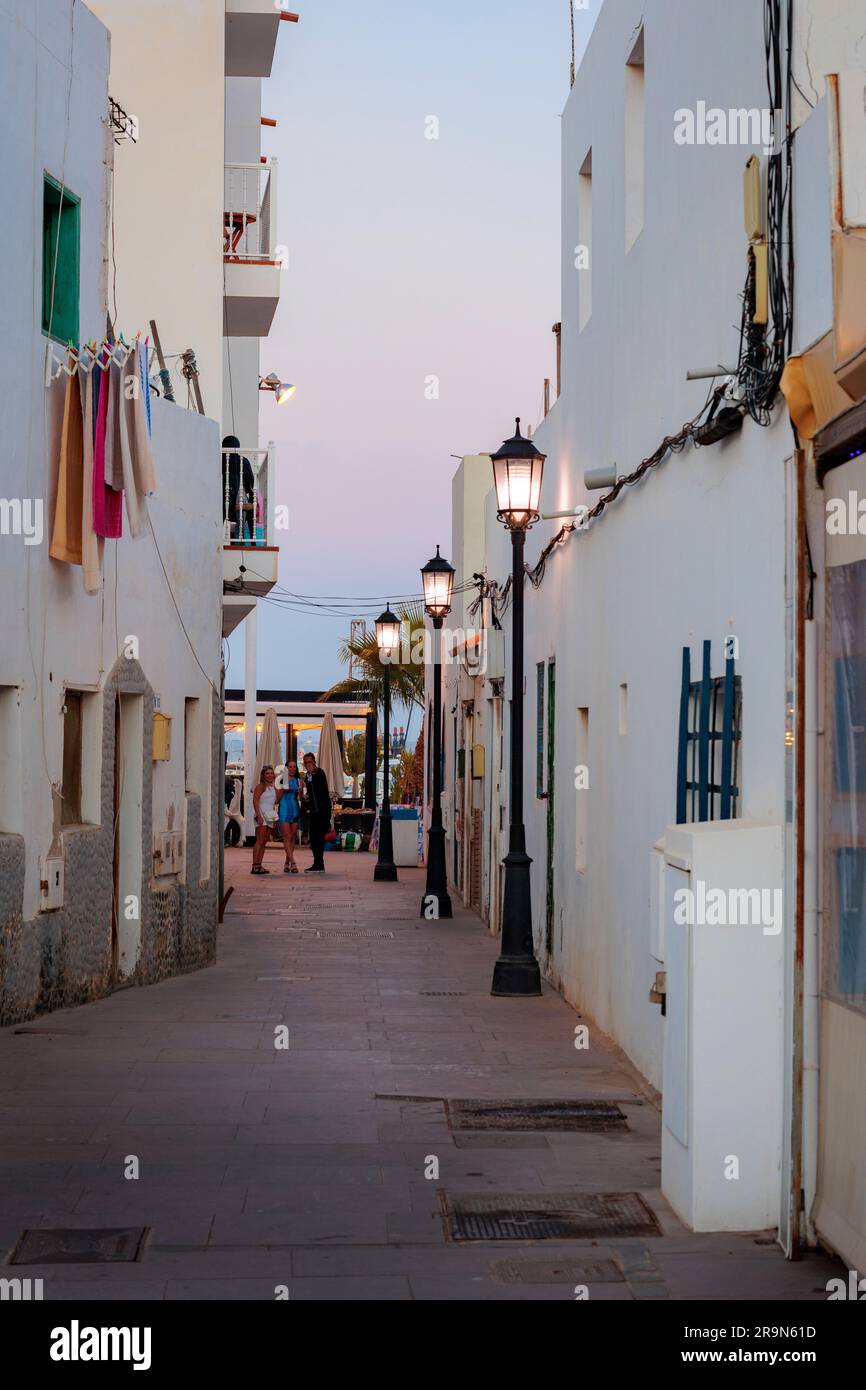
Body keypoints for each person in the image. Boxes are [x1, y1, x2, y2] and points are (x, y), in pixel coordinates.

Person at [221, 434, 254, 541]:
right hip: (239, 505)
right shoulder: (244, 461)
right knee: (243, 498)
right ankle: (240, 539)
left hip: (222, 504)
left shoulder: (219, 460)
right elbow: (251, 484)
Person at [303, 752, 331, 872]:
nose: (308, 764)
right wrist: (306, 796)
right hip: (313, 811)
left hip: (322, 810)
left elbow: (322, 791)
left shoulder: (319, 773)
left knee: (319, 838)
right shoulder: (308, 776)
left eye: (310, 762)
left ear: (314, 762)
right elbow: (311, 791)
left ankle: (319, 863)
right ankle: (317, 863)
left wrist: (312, 774)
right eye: (306, 762)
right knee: (314, 838)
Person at [251, 765, 278, 874]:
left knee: (265, 841)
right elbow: (255, 801)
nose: (270, 775)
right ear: (263, 775)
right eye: (267, 773)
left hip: (270, 813)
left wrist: (274, 819)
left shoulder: (273, 787)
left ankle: (259, 865)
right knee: (259, 841)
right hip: (261, 813)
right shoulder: (260, 786)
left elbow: (274, 804)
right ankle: (254, 866)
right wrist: (259, 816)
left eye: (271, 773)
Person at [277, 760, 301, 874]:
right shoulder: (282, 779)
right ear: (286, 768)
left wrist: (302, 793)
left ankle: (287, 863)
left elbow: (301, 797)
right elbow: (276, 798)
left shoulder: (299, 781)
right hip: (284, 810)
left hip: (295, 809)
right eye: (290, 767)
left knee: (292, 838)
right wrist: (282, 790)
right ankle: (293, 863)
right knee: (286, 838)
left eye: (294, 767)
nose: (292, 769)